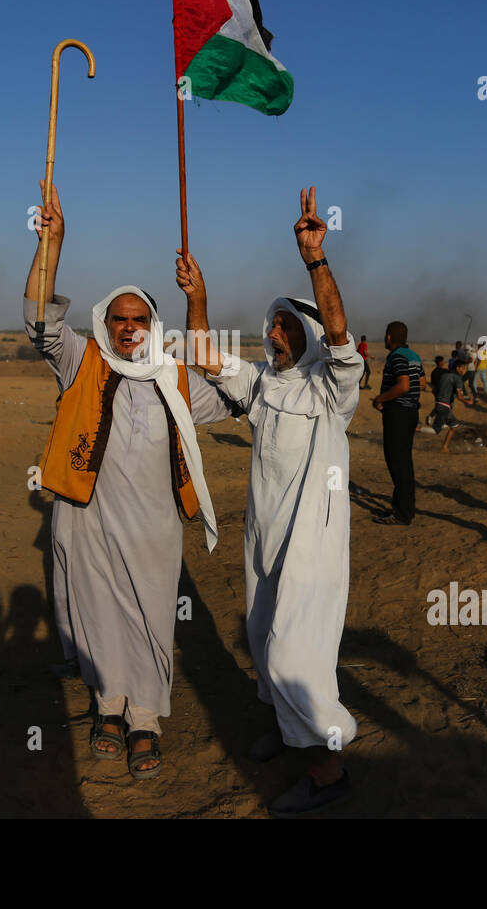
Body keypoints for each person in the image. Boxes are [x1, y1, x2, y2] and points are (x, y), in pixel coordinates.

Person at [24, 181, 233, 780]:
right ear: (104, 322)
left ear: (153, 324)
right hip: (88, 518)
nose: (129, 327)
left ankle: (145, 719)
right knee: (100, 615)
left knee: (150, 615)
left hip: (154, 527)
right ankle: (109, 709)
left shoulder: (176, 380)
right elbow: (38, 320)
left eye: (140, 319)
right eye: (119, 318)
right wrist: (52, 244)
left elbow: (226, 387)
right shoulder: (80, 362)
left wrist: (198, 301)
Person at [177, 186, 359, 816]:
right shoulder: (260, 384)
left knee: (293, 651)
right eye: (274, 323)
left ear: (309, 335)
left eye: (290, 325)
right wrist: (198, 299)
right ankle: (288, 732)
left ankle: (328, 773)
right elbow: (204, 356)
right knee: (261, 635)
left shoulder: (333, 386)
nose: (278, 333)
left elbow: (340, 331)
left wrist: (314, 259)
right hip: (265, 535)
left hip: (313, 544)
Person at [372, 322, 424, 525]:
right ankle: (404, 508)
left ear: (388, 337)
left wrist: (381, 398)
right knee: (404, 462)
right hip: (410, 412)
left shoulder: (396, 356)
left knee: (397, 462)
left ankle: (402, 514)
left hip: (398, 414)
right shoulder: (414, 356)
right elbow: (421, 383)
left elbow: (403, 385)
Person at [432, 359, 475, 453]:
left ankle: (445, 447)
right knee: (448, 427)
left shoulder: (444, 376)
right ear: (457, 368)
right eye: (463, 368)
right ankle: (444, 447)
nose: (464, 370)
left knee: (448, 426)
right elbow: (460, 397)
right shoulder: (457, 379)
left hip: (438, 403)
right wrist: (467, 402)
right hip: (444, 405)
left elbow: (434, 390)